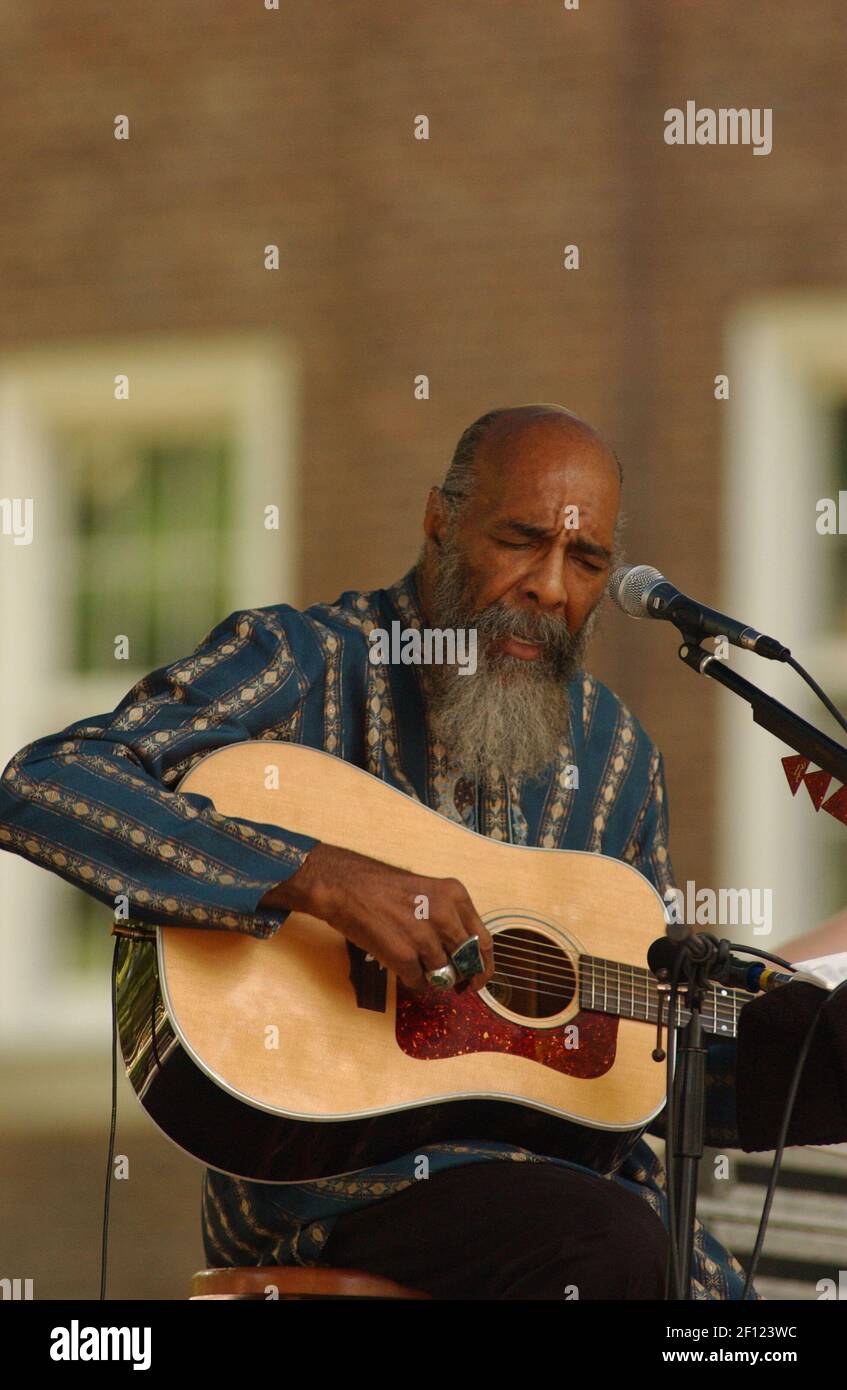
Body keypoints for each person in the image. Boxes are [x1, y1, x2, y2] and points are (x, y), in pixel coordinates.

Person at [0, 404, 755, 1299]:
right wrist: (319, 877)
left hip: (574, 1186)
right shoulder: (304, 660)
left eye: (585, 562)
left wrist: (800, 1045)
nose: (550, 588)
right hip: (327, 1180)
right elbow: (48, 782)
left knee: (737, 1317)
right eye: (520, 541)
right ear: (439, 520)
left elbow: (649, 1042)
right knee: (611, 1250)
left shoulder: (620, 757)